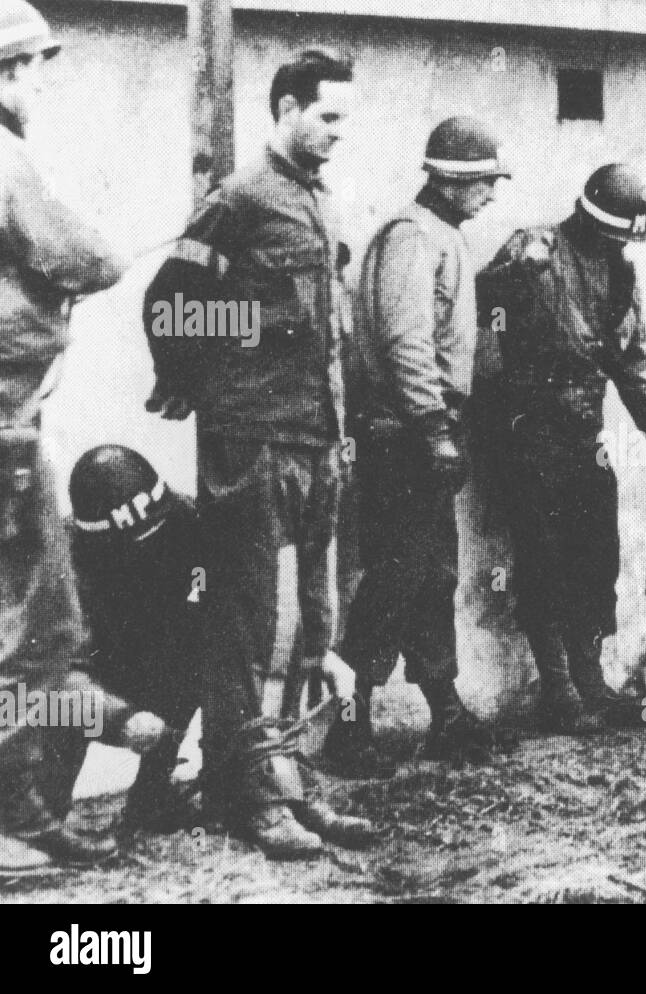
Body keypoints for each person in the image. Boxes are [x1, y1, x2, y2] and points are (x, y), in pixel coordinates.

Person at [142, 48, 356, 857]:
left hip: (314, 435)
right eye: (328, 116)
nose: (339, 133)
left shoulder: (314, 200)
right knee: (243, 618)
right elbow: (170, 303)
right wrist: (203, 380)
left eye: (344, 119)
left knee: (311, 616)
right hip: (253, 437)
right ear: (289, 107)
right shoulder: (239, 199)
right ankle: (246, 793)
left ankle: (296, 781)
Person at [476, 164, 646, 733]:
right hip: (527, 438)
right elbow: (480, 316)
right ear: (595, 221)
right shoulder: (534, 251)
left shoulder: (621, 278)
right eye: (619, 235)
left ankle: (590, 680)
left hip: (584, 438)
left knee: (595, 557)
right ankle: (558, 691)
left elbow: (633, 373)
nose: (624, 247)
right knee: (543, 563)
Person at [63, 445, 377, 858]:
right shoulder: (59, 565)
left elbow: (248, 608)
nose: (156, 545)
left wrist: (322, 653)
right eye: (141, 540)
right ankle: (41, 825)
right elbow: (56, 677)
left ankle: (249, 788)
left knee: (215, 643)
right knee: (49, 707)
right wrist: (122, 718)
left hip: (154, 660)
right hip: (92, 681)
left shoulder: (181, 520)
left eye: (159, 532)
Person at [323, 116, 512, 775]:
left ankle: (446, 716)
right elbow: (405, 341)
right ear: (452, 180)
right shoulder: (411, 235)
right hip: (402, 437)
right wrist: (432, 429)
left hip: (425, 432)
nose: (491, 193)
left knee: (432, 577)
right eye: (484, 181)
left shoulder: (442, 236)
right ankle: (349, 726)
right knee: (397, 577)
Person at [0, 1, 127, 872]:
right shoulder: (6, 158)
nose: (39, 80)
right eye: (31, 65)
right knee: (31, 629)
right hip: (6, 427)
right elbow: (89, 256)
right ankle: (15, 817)